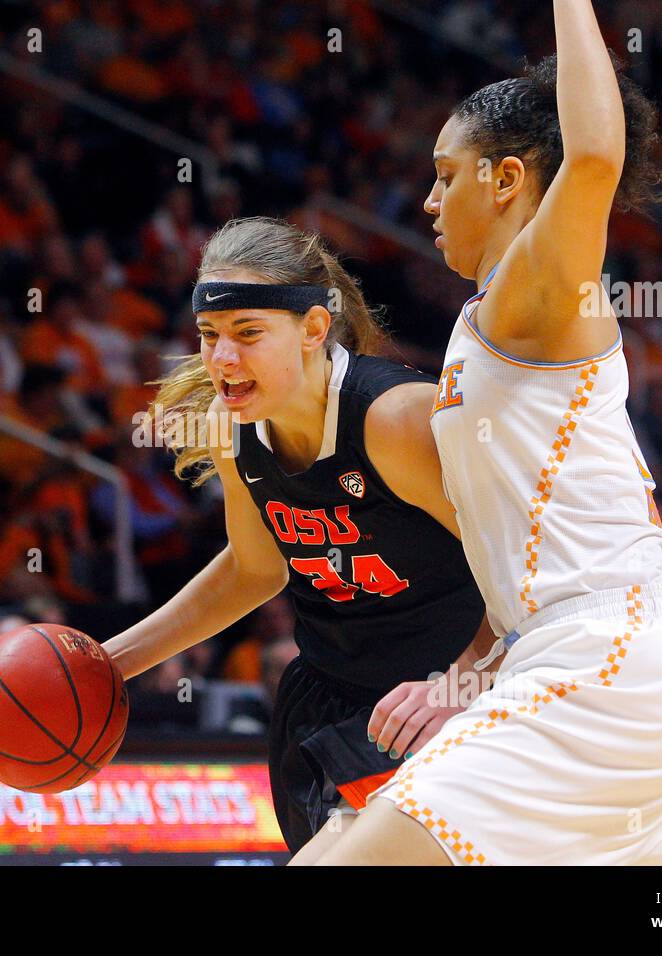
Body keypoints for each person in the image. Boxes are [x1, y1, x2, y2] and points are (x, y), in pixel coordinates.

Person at [313, 1, 662, 866]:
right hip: (599, 659)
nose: (427, 200)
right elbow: (531, 572)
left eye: (445, 174)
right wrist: (468, 677)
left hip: (617, 658)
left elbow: (590, 158)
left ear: (505, 181)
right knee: (333, 846)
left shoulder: (529, 292)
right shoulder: (491, 321)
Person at [102, 217, 491, 853]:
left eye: (247, 334)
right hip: (324, 704)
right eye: (209, 336)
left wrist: (465, 682)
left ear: (313, 328)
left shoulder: (394, 418)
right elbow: (256, 568)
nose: (222, 360)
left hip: (439, 700)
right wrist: (110, 665)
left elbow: (515, 564)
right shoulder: (233, 429)